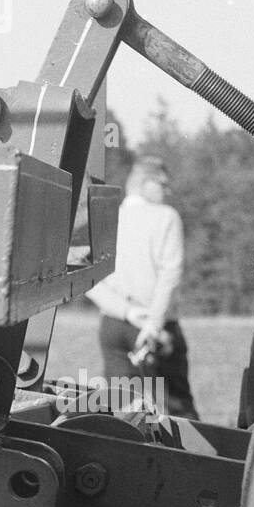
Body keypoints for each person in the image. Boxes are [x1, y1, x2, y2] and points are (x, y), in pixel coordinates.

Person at [86, 155, 200, 419]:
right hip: (157, 330)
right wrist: (153, 324)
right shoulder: (167, 217)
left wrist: (127, 312)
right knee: (179, 412)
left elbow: (88, 280)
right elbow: (170, 273)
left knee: (120, 411)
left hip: (114, 325)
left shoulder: (103, 215)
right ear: (147, 183)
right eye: (163, 184)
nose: (167, 191)